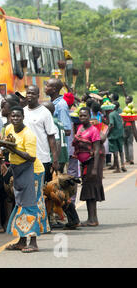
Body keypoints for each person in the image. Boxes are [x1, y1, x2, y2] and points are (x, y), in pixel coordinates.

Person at [1, 106, 45, 253]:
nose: (15, 119)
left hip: (32, 171)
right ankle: (21, 241)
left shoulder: (29, 135)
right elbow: (7, 145)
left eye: (18, 116)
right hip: (18, 170)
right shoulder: (8, 129)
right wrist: (3, 147)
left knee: (30, 205)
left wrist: (12, 149)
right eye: (12, 116)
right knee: (20, 204)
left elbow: (31, 157)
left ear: (23, 117)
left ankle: (33, 242)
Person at [43, 101, 80, 230]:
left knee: (55, 192)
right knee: (60, 191)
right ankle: (65, 218)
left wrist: (54, 160)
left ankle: (65, 218)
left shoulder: (50, 122)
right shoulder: (58, 121)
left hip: (55, 160)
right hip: (62, 158)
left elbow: (56, 142)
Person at [72, 107, 105, 227]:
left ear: (89, 117)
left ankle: (93, 219)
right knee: (88, 192)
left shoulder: (93, 131)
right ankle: (91, 218)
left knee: (91, 191)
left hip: (92, 164)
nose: (82, 118)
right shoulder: (80, 128)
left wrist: (95, 168)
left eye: (85, 115)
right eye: (81, 116)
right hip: (84, 164)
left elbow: (96, 150)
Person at [23, 85, 59, 182]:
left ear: (38, 96)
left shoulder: (45, 113)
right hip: (25, 158)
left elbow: (51, 137)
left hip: (42, 158)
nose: (30, 95)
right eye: (28, 93)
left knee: (42, 189)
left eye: (33, 93)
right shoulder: (22, 112)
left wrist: (55, 159)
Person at [105, 101, 126, 173]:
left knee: (115, 152)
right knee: (121, 150)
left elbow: (112, 125)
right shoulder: (121, 112)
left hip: (113, 135)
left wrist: (107, 133)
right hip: (120, 133)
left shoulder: (111, 114)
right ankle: (123, 165)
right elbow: (124, 122)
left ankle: (118, 168)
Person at [123, 96, 134, 165]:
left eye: (127, 99)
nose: (125, 100)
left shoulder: (126, 108)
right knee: (130, 143)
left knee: (125, 143)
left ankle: (127, 159)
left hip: (125, 126)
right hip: (131, 126)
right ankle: (131, 159)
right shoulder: (132, 108)